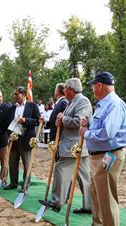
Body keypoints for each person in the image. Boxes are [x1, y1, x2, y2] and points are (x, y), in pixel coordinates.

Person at [79, 72, 126, 226]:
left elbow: (108, 132)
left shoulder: (114, 104)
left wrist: (87, 133)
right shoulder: (103, 104)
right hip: (99, 155)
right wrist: (88, 123)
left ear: (100, 85)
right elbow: (100, 126)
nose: (92, 89)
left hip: (109, 154)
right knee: (95, 190)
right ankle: (98, 225)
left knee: (106, 194)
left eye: (93, 85)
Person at [39, 78, 93, 215]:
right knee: (84, 177)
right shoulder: (72, 102)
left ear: (70, 89)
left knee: (61, 168)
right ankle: (89, 205)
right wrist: (60, 122)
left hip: (74, 146)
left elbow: (78, 122)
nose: (63, 91)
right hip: (75, 146)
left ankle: (57, 201)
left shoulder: (82, 101)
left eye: (65, 88)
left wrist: (63, 119)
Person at [4, 86, 40, 191]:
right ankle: (13, 183)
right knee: (12, 162)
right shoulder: (11, 108)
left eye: (16, 94)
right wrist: (9, 134)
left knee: (26, 164)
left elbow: (37, 121)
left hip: (26, 139)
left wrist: (25, 120)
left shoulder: (32, 106)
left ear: (23, 94)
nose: (14, 96)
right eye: (14, 94)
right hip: (13, 140)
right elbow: (8, 123)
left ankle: (25, 185)